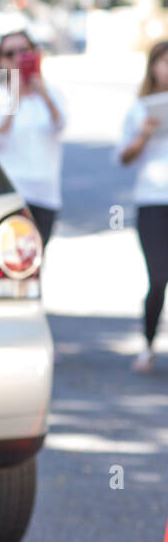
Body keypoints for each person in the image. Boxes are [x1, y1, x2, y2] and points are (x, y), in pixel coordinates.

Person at [0, 30, 67, 246]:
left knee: (37, 261)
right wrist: (13, 100)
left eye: (24, 51)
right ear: (1, 61)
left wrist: (42, 92)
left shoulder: (51, 94)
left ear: (36, 53)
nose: (18, 58)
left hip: (45, 192)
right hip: (11, 192)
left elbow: (60, 125)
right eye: (10, 53)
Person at [116, 40, 168, 373]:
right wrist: (144, 134)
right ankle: (148, 344)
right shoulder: (139, 108)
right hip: (152, 201)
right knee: (159, 276)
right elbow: (123, 158)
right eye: (163, 61)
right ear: (152, 66)